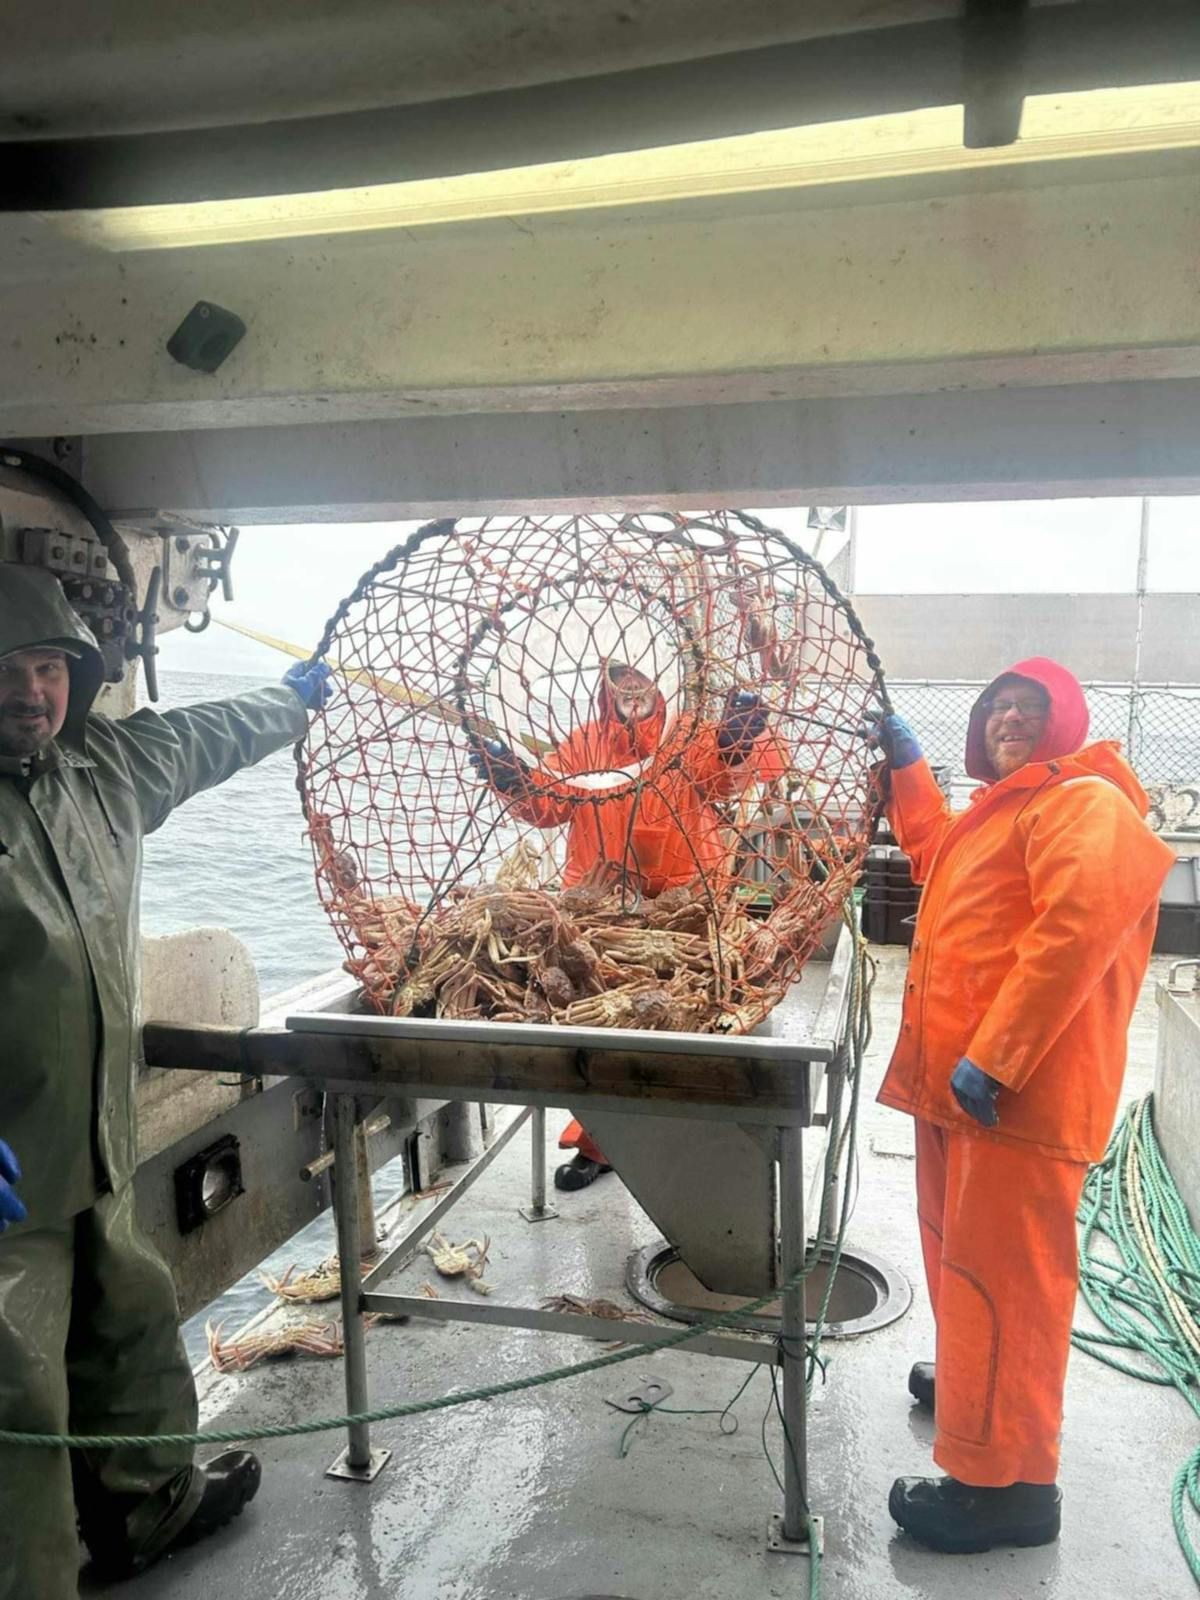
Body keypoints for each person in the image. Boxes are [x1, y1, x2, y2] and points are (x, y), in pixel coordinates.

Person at [0, 563, 334, 1597]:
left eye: (50, 666)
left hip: (97, 1152)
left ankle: (152, 1508)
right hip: (13, 1200)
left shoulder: (105, 772)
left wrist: (289, 702)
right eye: (7, 668)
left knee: (134, 1329)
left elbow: (203, 736)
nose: (31, 690)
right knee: (19, 1403)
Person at [870, 657, 1173, 1554]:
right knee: (963, 1264)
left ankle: (1007, 1489)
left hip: (1016, 1102)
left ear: (1066, 719)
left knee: (1007, 1287)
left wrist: (996, 1060)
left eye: (1027, 707)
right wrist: (907, 767)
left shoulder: (1086, 805)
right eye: (995, 707)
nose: (1009, 717)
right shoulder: (1001, 815)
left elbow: (1072, 931)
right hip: (960, 1100)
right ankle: (974, 1393)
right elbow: (933, 851)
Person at [470, 661, 769, 1189]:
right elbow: (544, 802)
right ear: (606, 681)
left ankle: (691, 1140)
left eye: (641, 672)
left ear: (663, 677)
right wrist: (509, 775)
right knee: (599, 1028)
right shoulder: (584, 744)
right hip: (601, 908)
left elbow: (723, 779)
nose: (631, 684)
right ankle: (602, 1143)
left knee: (691, 1024)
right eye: (619, 673)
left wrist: (735, 741)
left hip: (686, 906)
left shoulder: (690, 734)